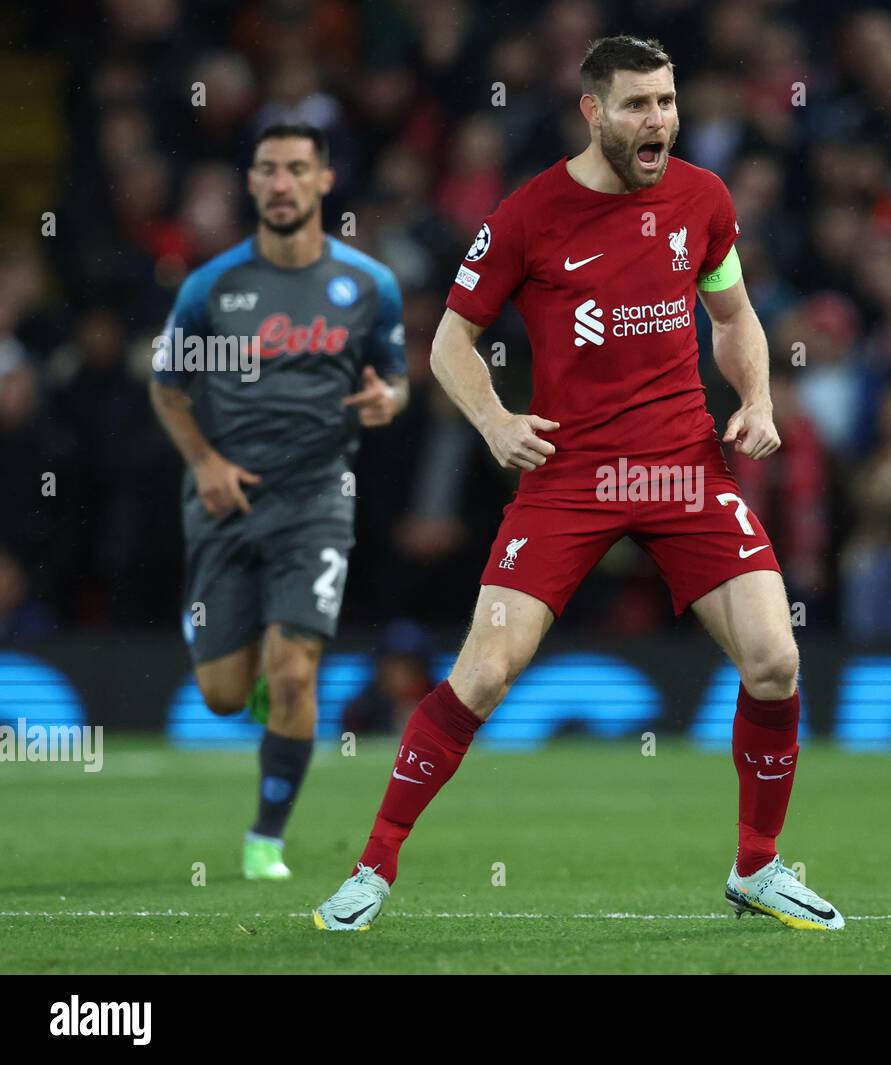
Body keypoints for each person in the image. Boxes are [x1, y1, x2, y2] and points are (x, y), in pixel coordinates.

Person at [314, 36, 843, 933]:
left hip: (682, 466)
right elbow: (450, 342)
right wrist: (496, 423)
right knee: (482, 672)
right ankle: (372, 869)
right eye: (638, 105)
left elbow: (735, 313)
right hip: (571, 477)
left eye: (668, 103)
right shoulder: (527, 216)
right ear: (593, 112)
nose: (660, 122)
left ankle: (757, 867)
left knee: (776, 660)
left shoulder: (703, 200)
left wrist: (753, 397)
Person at [150, 124, 408, 880]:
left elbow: (394, 375)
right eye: (267, 169)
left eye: (298, 168)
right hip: (226, 499)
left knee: (296, 672)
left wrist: (389, 397)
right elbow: (166, 387)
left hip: (319, 495)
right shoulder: (211, 287)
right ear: (253, 183)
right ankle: (258, 670)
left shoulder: (368, 286)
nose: (282, 183)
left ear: (325, 180)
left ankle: (266, 837)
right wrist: (204, 461)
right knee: (225, 696)